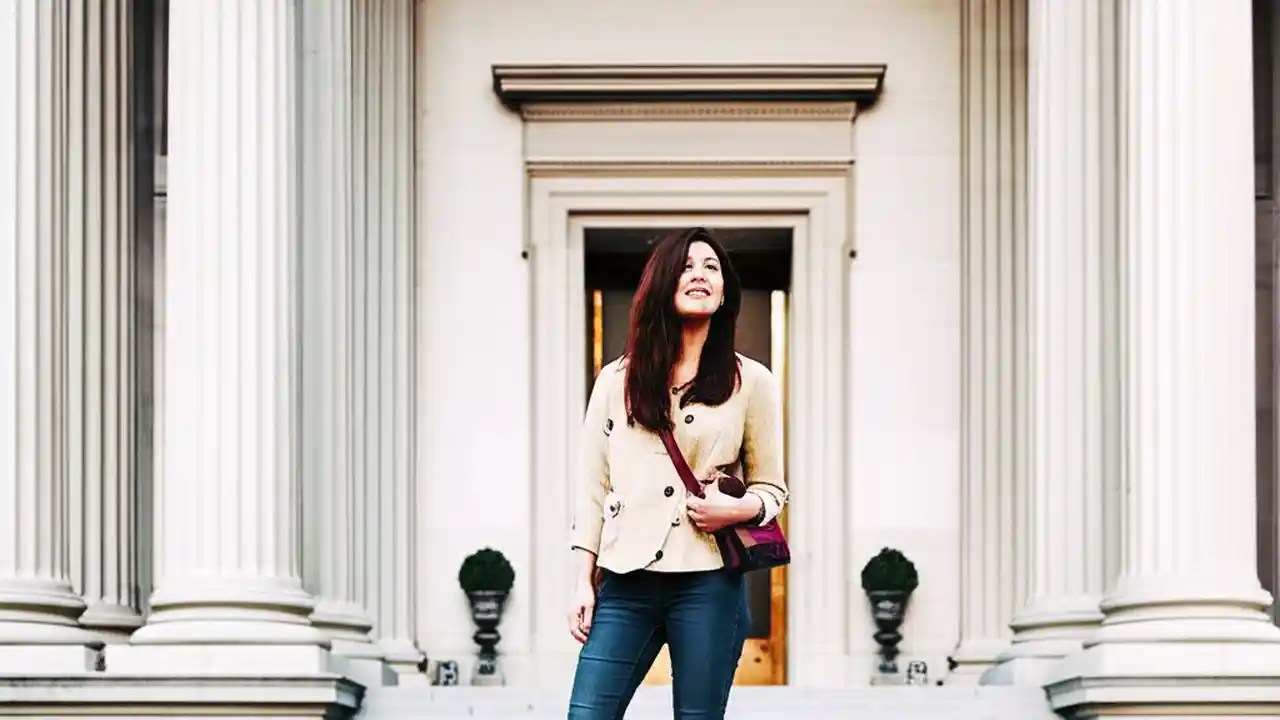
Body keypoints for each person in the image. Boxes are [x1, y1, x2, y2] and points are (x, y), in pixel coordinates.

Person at [565, 227, 789, 719]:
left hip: (709, 583)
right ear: (663, 281)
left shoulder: (752, 381)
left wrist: (735, 509)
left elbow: (772, 489)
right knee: (587, 714)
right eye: (687, 266)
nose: (700, 275)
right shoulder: (616, 380)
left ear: (724, 290)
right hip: (625, 581)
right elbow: (592, 486)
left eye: (712, 268)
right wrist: (583, 580)